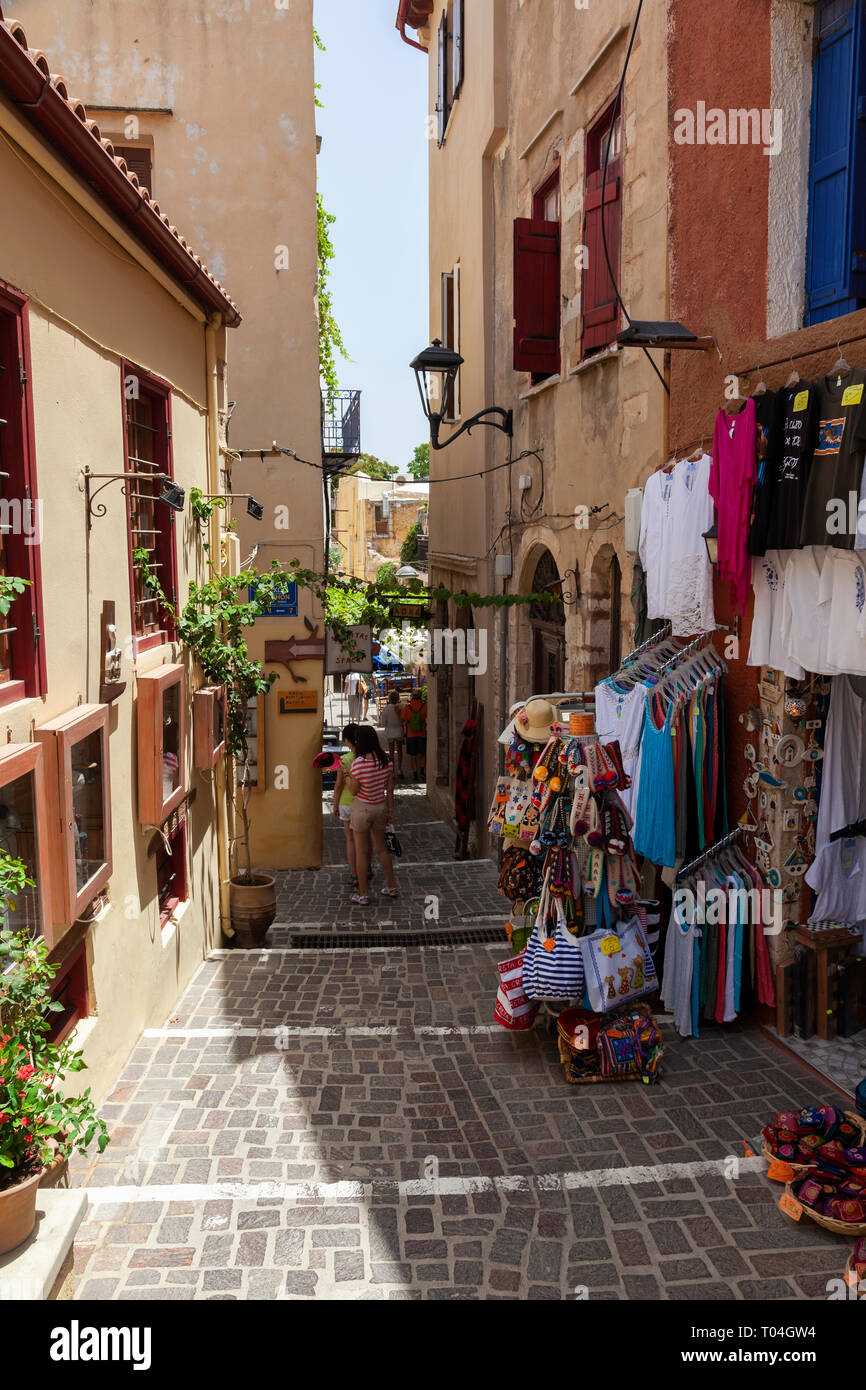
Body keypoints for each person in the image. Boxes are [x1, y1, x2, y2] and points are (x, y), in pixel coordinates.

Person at [346, 725, 398, 906]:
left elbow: (353, 790)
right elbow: (389, 789)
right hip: (380, 807)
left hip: (362, 808)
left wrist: (346, 776)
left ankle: (363, 894)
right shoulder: (387, 761)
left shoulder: (359, 762)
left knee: (361, 852)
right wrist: (390, 812)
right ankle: (391, 886)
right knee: (382, 849)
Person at [333, 724, 364, 892]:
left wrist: (335, 805)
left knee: (350, 840)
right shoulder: (367, 757)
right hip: (363, 802)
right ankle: (366, 870)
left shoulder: (345, 760)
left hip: (346, 803)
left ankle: (354, 875)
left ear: (346, 740)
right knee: (364, 840)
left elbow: (338, 786)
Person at [401, 690, 428, 782]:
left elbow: (402, 718)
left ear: (412, 697)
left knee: (413, 755)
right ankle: (422, 771)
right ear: (420, 697)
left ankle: (415, 774)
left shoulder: (407, 707)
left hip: (410, 734)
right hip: (422, 733)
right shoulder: (425, 707)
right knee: (422, 754)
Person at [379, 691, 405, 778]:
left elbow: (382, 723)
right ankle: (400, 769)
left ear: (389, 699)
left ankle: (392, 771)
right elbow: (404, 720)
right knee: (400, 751)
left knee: (391, 752)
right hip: (399, 731)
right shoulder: (401, 707)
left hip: (390, 732)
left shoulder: (386, 709)